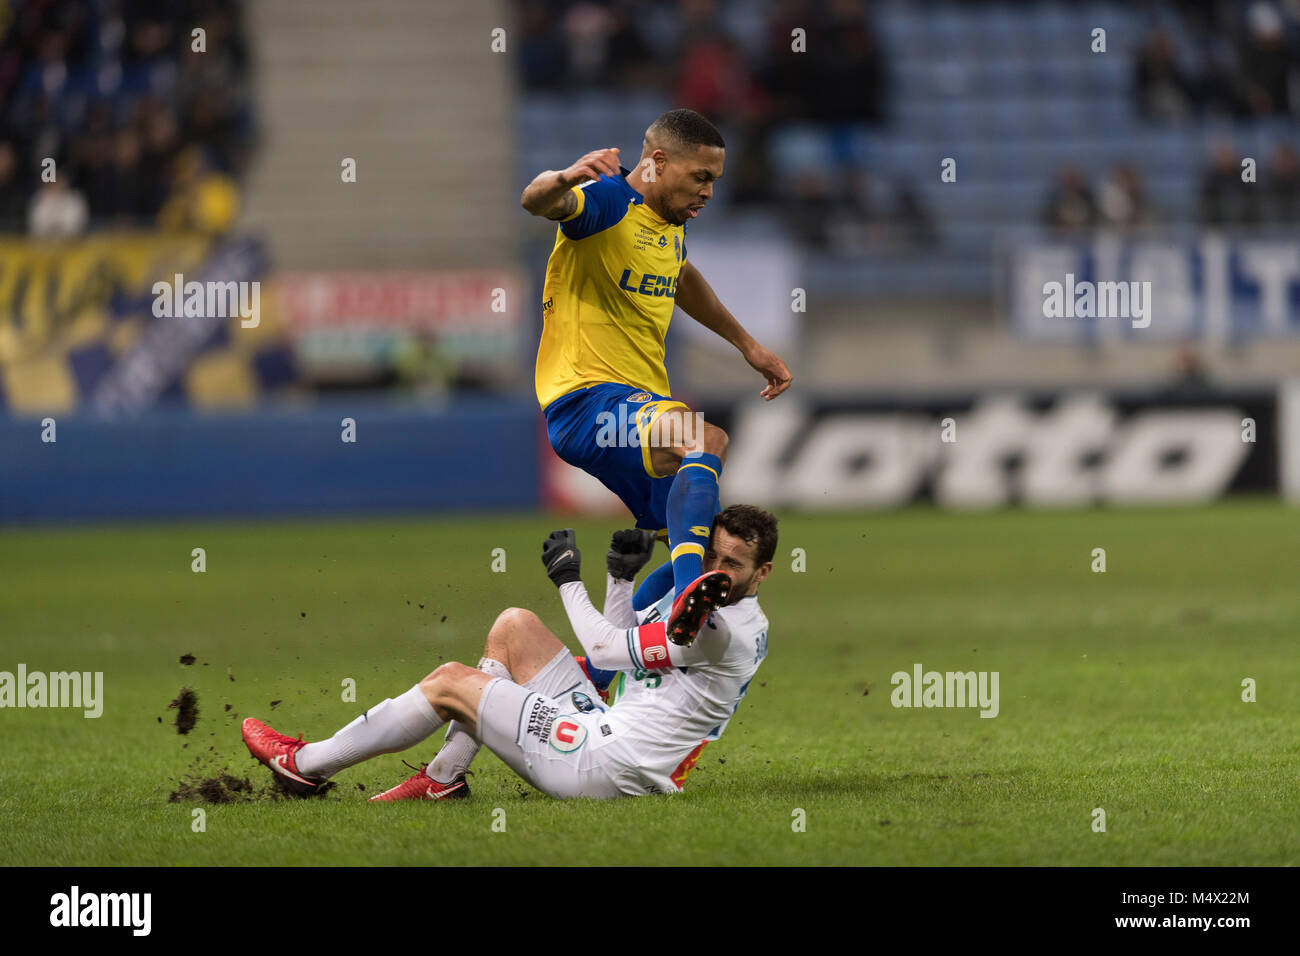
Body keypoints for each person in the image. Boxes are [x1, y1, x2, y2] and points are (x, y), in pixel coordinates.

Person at [241, 504, 776, 801]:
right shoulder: (692, 595)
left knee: (451, 681)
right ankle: (443, 781)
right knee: (514, 626)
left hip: (610, 769)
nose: (717, 571)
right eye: (713, 556)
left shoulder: (729, 631)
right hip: (609, 727)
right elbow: (625, 661)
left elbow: (603, 650)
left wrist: (569, 580)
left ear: (763, 573)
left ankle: (305, 765)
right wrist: (619, 579)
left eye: (733, 564)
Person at [519, 108, 791, 644]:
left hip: (631, 408)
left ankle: (600, 672)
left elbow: (682, 276)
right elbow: (536, 201)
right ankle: (695, 597)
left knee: (708, 544)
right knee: (704, 438)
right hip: (587, 402)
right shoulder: (607, 202)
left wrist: (748, 346)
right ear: (659, 162)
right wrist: (567, 176)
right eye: (701, 177)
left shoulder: (670, 227)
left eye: (714, 180)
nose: (709, 192)